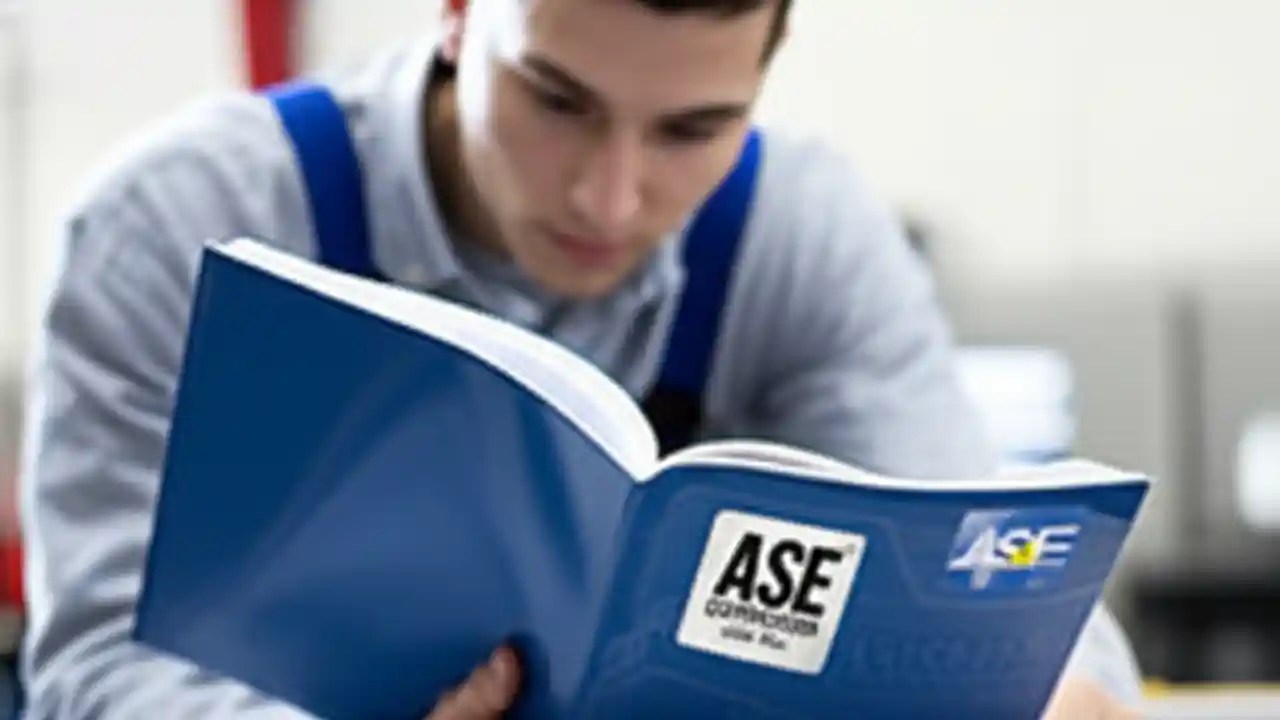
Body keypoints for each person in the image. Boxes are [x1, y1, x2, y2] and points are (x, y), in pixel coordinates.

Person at [17, 0, 1143, 717]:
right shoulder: (177, 225)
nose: (611, 196)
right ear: (457, 18)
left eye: (692, 129)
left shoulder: (801, 230)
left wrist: (1061, 690)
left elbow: (988, 570)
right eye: (555, 102)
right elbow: (99, 674)